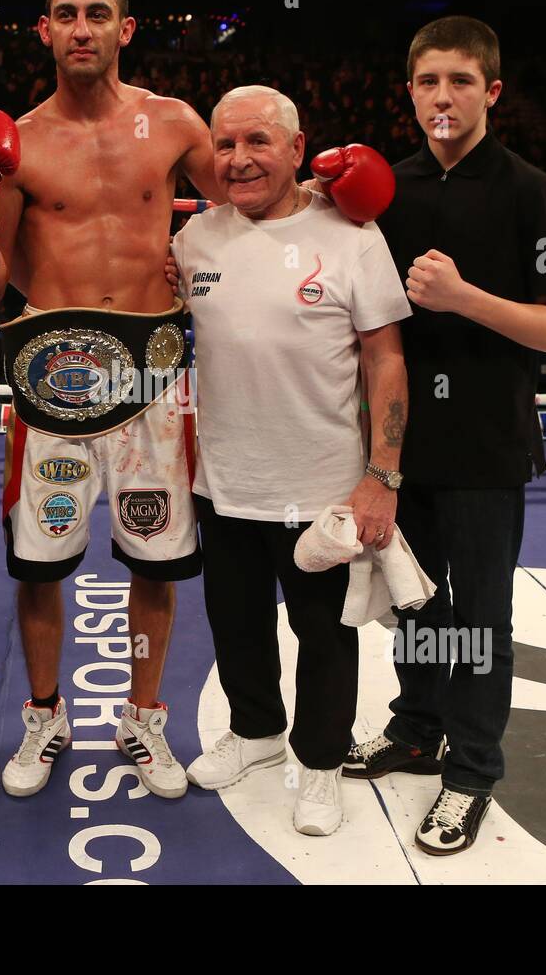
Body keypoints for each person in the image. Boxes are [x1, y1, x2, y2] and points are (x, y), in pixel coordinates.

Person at [0, 0, 223, 800]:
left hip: (154, 375)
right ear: (43, 31)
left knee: (155, 561)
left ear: (126, 27)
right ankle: (46, 712)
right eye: (65, 14)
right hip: (54, 379)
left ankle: (142, 714)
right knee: (40, 566)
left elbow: (255, 213)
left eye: (98, 13)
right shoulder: (15, 141)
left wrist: (346, 198)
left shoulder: (177, 122)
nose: (82, 27)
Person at [345, 16, 546, 855]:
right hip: (402, 447)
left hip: (487, 443)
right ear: (408, 90)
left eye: (462, 82)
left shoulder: (532, 191)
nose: (444, 97)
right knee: (414, 601)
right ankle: (417, 728)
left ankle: (474, 766)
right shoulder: (385, 189)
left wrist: (463, 295)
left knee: (479, 615)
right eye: (429, 82)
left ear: (493, 91)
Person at [174, 86, 410, 836]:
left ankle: (318, 762)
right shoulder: (196, 239)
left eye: (257, 142)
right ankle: (255, 731)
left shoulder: (352, 234)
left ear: (298, 148)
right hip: (224, 479)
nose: (238, 159)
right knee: (235, 622)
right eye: (224, 144)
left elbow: (387, 360)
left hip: (321, 483)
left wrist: (382, 475)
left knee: (325, 633)